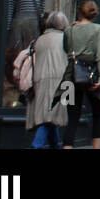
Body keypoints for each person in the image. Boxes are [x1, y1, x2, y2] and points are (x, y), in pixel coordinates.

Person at [63, 0, 100, 150]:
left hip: (72, 75)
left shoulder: (69, 30)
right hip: (92, 75)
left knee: (72, 118)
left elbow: (66, 49)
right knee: (97, 116)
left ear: (80, 12)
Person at [26, 11, 70, 149]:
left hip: (41, 80)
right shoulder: (64, 38)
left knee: (49, 116)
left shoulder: (40, 40)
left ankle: (54, 145)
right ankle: (36, 145)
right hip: (59, 80)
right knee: (51, 117)